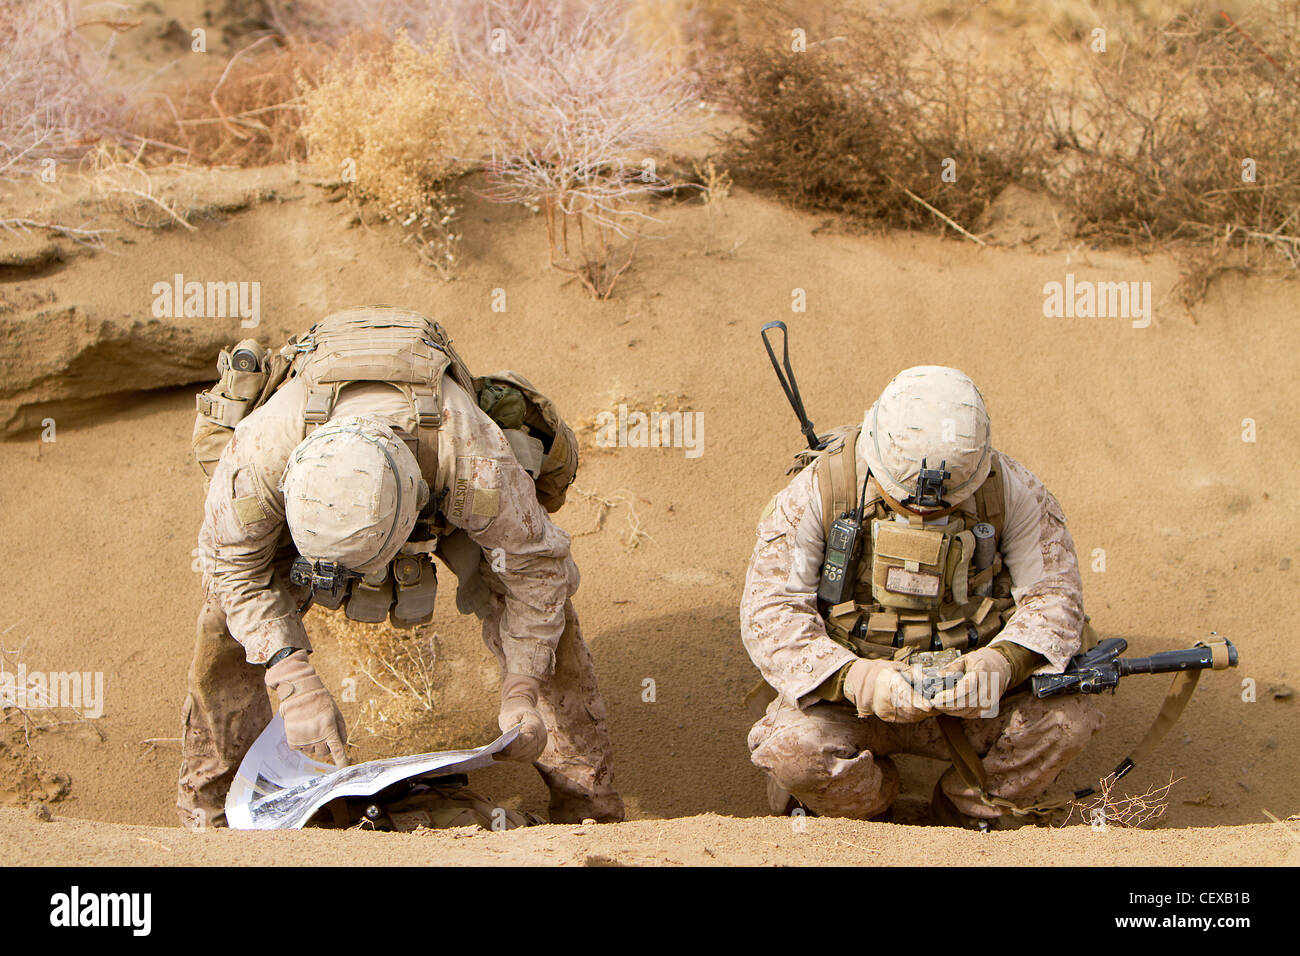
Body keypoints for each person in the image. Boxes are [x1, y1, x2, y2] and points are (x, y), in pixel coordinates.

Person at [177, 305, 623, 828]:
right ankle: (209, 813)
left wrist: (520, 688)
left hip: (434, 471)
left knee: (548, 622)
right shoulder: (258, 456)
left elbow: (537, 570)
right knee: (221, 626)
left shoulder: (471, 460)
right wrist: (293, 680)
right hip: (303, 488)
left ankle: (586, 808)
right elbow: (231, 567)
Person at [740, 365, 1104, 828]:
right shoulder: (820, 489)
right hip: (852, 703)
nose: (923, 509)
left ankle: (965, 816)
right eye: (906, 500)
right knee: (791, 749)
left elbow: (1056, 598)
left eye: (944, 502)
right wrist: (859, 681)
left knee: (1066, 720)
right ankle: (866, 811)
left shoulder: (1013, 491)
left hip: (972, 699)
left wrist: (1000, 664)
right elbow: (770, 613)